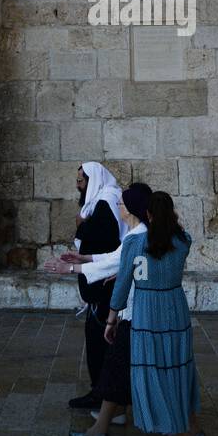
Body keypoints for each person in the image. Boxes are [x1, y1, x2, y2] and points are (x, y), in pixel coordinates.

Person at [108, 191, 204, 436]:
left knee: (161, 382)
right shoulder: (182, 242)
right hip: (175, 311)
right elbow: (177, 235)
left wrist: (112, 318)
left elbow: (123, 284)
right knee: (176, 375)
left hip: (149, 315)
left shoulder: (135, 243)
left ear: (147, 215)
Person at [68, 183, 152, 436]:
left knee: (122, 368)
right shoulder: (140, 234)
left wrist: (72, 269)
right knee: (123, 369)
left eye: (123, 204)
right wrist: (82, 259)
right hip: (139, 313)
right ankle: (109, 419)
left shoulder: (137, 237)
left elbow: (120, 268)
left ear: (132, 209)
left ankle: (184, 435)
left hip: (135, 315)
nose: (119, 207)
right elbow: (115, 258)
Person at [64, 162, 124, 411]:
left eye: (81, 180)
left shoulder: (105, 202)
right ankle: (103, 395)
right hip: (100, 281)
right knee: (97, 339)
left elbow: (102, 240)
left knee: (101, 341)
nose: (78, 185)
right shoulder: (102, 200)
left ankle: (104, 398)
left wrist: (81, 224)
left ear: (94, 179)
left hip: (104, 284)